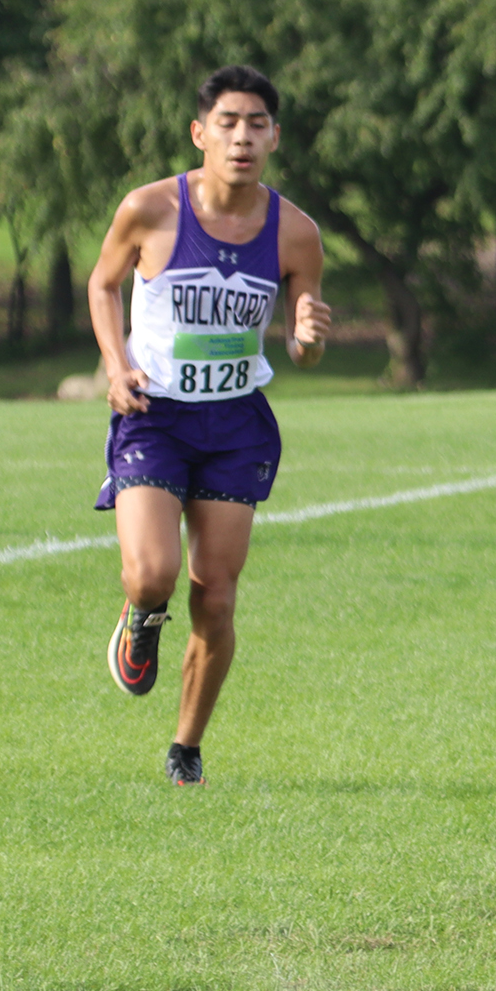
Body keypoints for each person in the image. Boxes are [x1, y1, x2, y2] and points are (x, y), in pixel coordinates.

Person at [88, 65, 330, 786]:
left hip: (235, 423)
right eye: (227, 122)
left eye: (257, 124)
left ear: (275, 137)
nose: (242, 137)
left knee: (216, 594)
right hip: (153, 415)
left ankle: (185, 749)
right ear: (201, 134)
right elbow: (103, 283)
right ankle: (141, 617)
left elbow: (303, 346)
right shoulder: (150, 209)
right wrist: (113, 364)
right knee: (154, 571)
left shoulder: (297, 234)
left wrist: (309, 339)